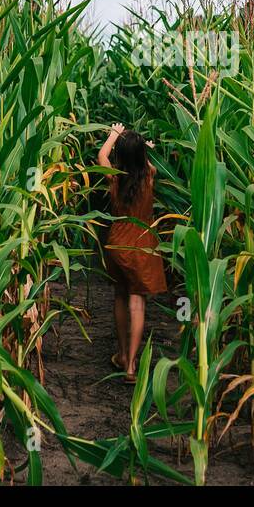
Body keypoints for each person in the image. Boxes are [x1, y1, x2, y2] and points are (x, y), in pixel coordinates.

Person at [97, 123, 165, 381]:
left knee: (119, 297)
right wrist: (143, 150)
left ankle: (123, 354)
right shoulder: (150, 176)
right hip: (143, 245)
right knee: (137, 302)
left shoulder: (115, 178)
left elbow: (102, 156)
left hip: (117, 244)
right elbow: (145, 164)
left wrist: (114, 135)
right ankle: (131, 366)